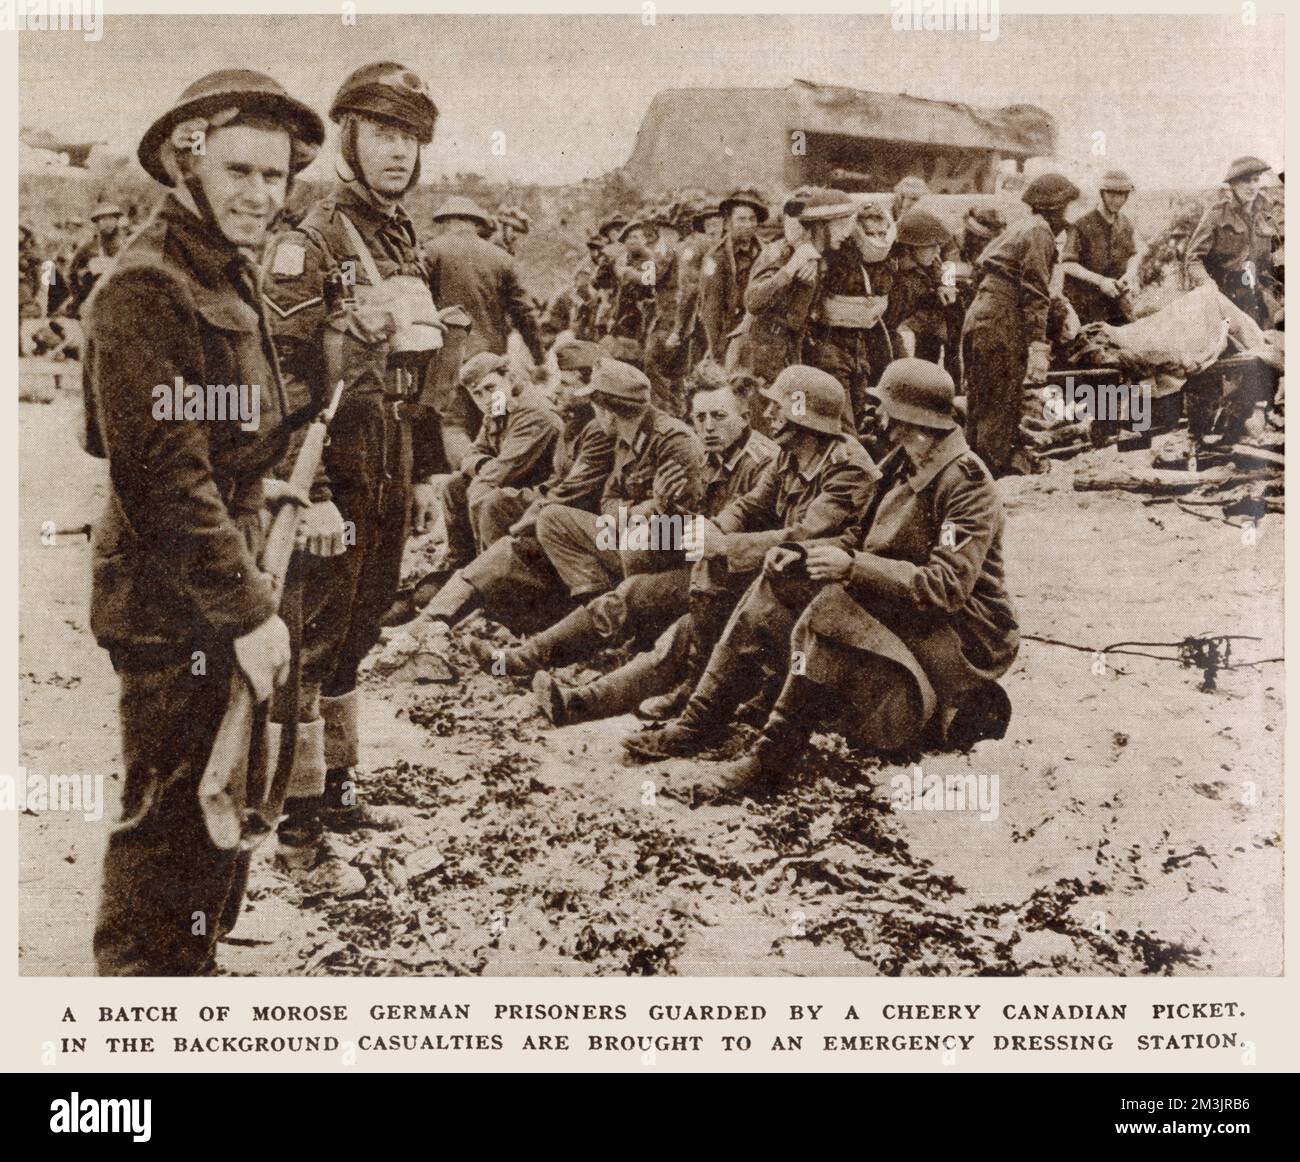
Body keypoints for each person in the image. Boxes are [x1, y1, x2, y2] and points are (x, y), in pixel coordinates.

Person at [84, 69, 324, 974]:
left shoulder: (222, 270)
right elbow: (159, 474)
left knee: (224, 811)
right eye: (240, 172)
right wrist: (248, 612)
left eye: (277, 177)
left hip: (236, 572)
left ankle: (196, 972)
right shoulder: (148, 284)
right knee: (170, 826)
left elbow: (240, 427)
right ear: (188, 164)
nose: (262, 195)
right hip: (173, 597)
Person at [623, 359, 1018, 801]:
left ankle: (768, 761)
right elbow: (857, 535)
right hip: (904, 605)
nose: (877, 416)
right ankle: (701, 720)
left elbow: (945, 586)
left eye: (884, 408)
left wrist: (852, 567)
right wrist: (800, 554)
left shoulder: (966, 484)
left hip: (961, 637)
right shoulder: (902, 463)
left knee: (831, 611)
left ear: (907, 418)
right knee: (779, 581)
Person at [261, 61, 453, 880]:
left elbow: (416, 369)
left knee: (362, 630)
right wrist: (318, 497)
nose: (398, 152)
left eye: (410, 136)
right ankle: (297, 829)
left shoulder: (398, 232)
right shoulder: (312, 237)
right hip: (331, 469)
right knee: (311, 642)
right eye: (382, 133)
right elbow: (285, 374)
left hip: (390, 455)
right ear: (349, 135)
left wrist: (423, 476)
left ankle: (337, 790)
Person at [534, 364, 878, 727]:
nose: (770, 413)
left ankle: (587, 698)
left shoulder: (843, 466)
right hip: (744, 573)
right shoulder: (786, 454)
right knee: (645, 587)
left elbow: (806, 536)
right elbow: (749, 506)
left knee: (675, 626)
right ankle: (563, 680)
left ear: (804, 417)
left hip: (799, 586)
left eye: (778, 407)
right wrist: (711, 530)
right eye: (700, 417)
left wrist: (721, 544)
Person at [472, 365, 777, 678]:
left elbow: (744, 533)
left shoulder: (761, 463)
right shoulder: (711, 457)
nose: (708, 427)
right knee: (626, 555)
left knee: (633, 577)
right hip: (700, 563)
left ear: (745, 417)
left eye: (719, 416)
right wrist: (659, 511)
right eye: (700, 417)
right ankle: (535, 654)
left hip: (736, 577)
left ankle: (537, 655)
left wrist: (655, 520)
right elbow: (635, 508)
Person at [532, 358, 705, 600]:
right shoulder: (624, 438)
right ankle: (595, 601)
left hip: (668, 550)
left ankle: (622, 615)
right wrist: (642, 510)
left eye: (596, 408)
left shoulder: (673, 441)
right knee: (552, 519)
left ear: (608, 412)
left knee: (634, 545)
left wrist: (645, 514)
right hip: (633, 533)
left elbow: (680, 521)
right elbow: (608, 501)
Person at [961, 171, 1079, 477]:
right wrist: (1038, 347)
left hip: (983, 314)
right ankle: (990, 476)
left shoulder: (1020, 228)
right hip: (1001, 321)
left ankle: (973, 473)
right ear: (1056, 208)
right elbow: (1035, 292)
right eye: (1066, 208)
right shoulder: (1040, 233)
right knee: (999, 403)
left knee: (979, 402)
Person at [439, 351, 562, 569]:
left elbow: (502, 471)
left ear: (510, 379)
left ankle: (485, 573)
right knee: (454, 485)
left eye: (490, 388)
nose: (486, 399)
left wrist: (487, 472)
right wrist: (484, 465)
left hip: (544, 493)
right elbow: (471, 454)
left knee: (487, 496)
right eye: (477, 394)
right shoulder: (498, 407)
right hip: (514, 484)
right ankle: (459, 564)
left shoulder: (533, 413)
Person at [425, 193, 545, 367]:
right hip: (490, 359)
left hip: (442, 355)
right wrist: (539, 356)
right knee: (492, 394)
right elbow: (523, 312)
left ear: (446, 221)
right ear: (475, 223)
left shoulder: (431, 250)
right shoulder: (502, 258)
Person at [1185, 155, 1281, 326]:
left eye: (1255, 180)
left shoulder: (1267, 216)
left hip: (1260, 294)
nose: (1252, 186)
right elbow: (1193, 259)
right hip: (1226, 298)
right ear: (1233, 185)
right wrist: (1206, 283)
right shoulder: (1216, 215)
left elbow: (1276, 256)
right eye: (1246, 181)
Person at [1061, 169, 1140, 326]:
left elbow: (1134, 254)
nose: (1117, 201)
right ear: (1102, 194)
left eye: (1122, 195)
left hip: (1116, 307)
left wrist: (1130, 274)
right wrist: (1100, 281)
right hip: (1084, 306)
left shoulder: (1125, 224)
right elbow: (1067, 264)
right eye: (1112, 195)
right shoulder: (1081, 224)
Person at [699, 187, 767, 360]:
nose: (748, 225)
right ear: (728, 223)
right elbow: (711, 309)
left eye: (752, 219)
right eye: (741, 220)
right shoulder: (715, 258)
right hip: (730, 336)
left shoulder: (767, 251)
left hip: (762, 335)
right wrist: (716, 349)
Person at [887, 208, 957, 364]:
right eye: (931, 245)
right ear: (910, 247)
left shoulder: (929, 262)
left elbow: (948, 261)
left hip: (919, 324)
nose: (937, 250)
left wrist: (947, 285)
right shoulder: (889, 273)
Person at [64, 202, 127, 318]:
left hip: (120, 300)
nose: (108, 223)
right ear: (97, 223)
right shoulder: (88, 247)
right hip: (94, 302)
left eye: (112, 218)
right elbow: (70, 274)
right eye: (103, 219)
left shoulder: (125, 247)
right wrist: (80, 292)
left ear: (117, 221)